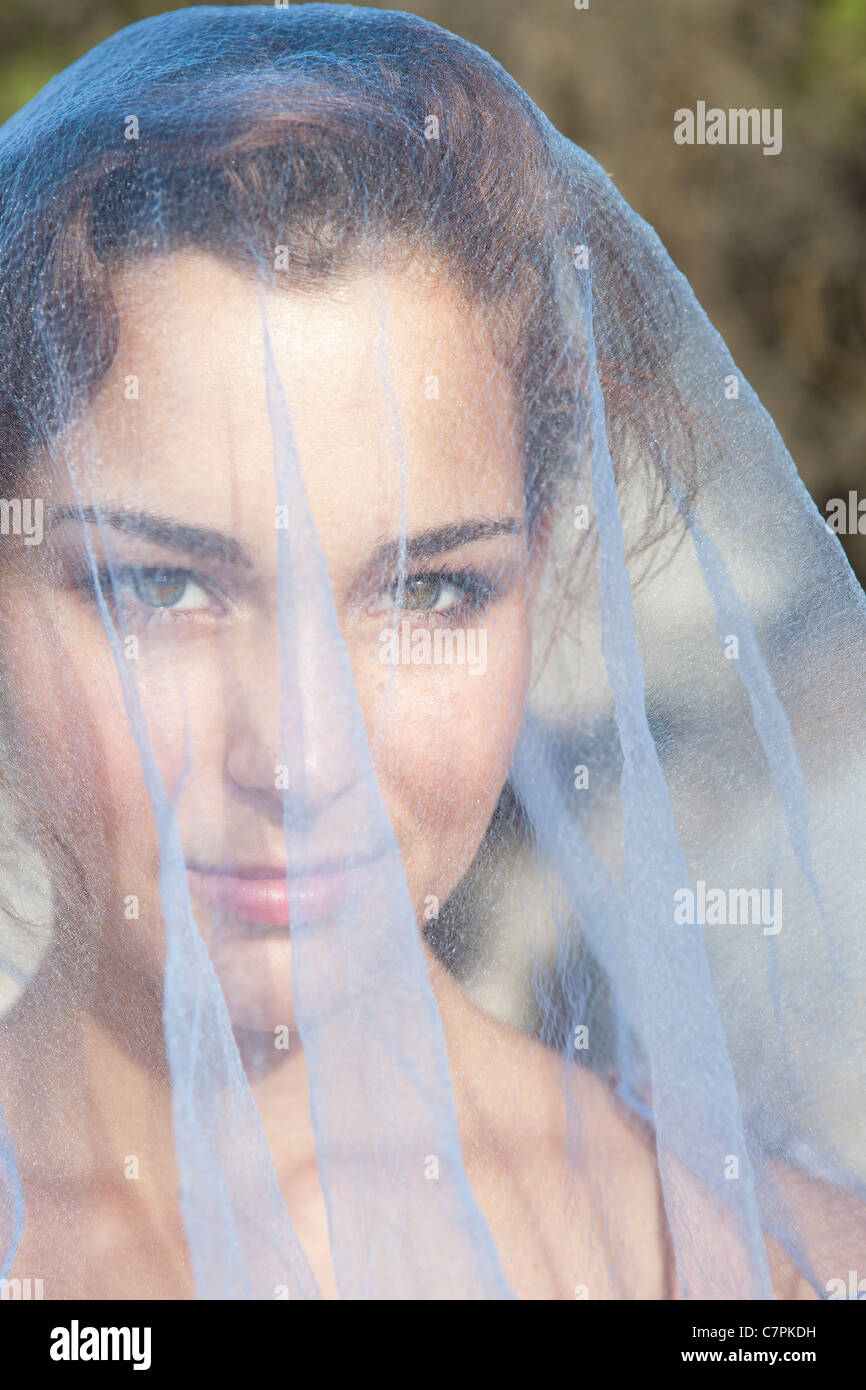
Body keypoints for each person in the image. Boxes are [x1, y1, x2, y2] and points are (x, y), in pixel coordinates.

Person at [0, 4, 863, 1300]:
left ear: (541, 569)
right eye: (162, 583)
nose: (298, 755)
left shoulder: (774, 1275)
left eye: (430, 589)